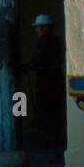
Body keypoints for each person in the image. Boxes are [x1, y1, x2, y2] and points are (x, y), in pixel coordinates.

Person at [27, 13, 65, 150]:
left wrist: (28, 66)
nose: (37, 30)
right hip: (54, 78)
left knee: (48, 110)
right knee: (54, 110)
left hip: (47, 80)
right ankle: (54, 138)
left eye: (38, 27)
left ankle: (51, 140)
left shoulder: (44, 42)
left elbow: (39, 61)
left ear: (44, 28)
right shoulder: (56, 40)